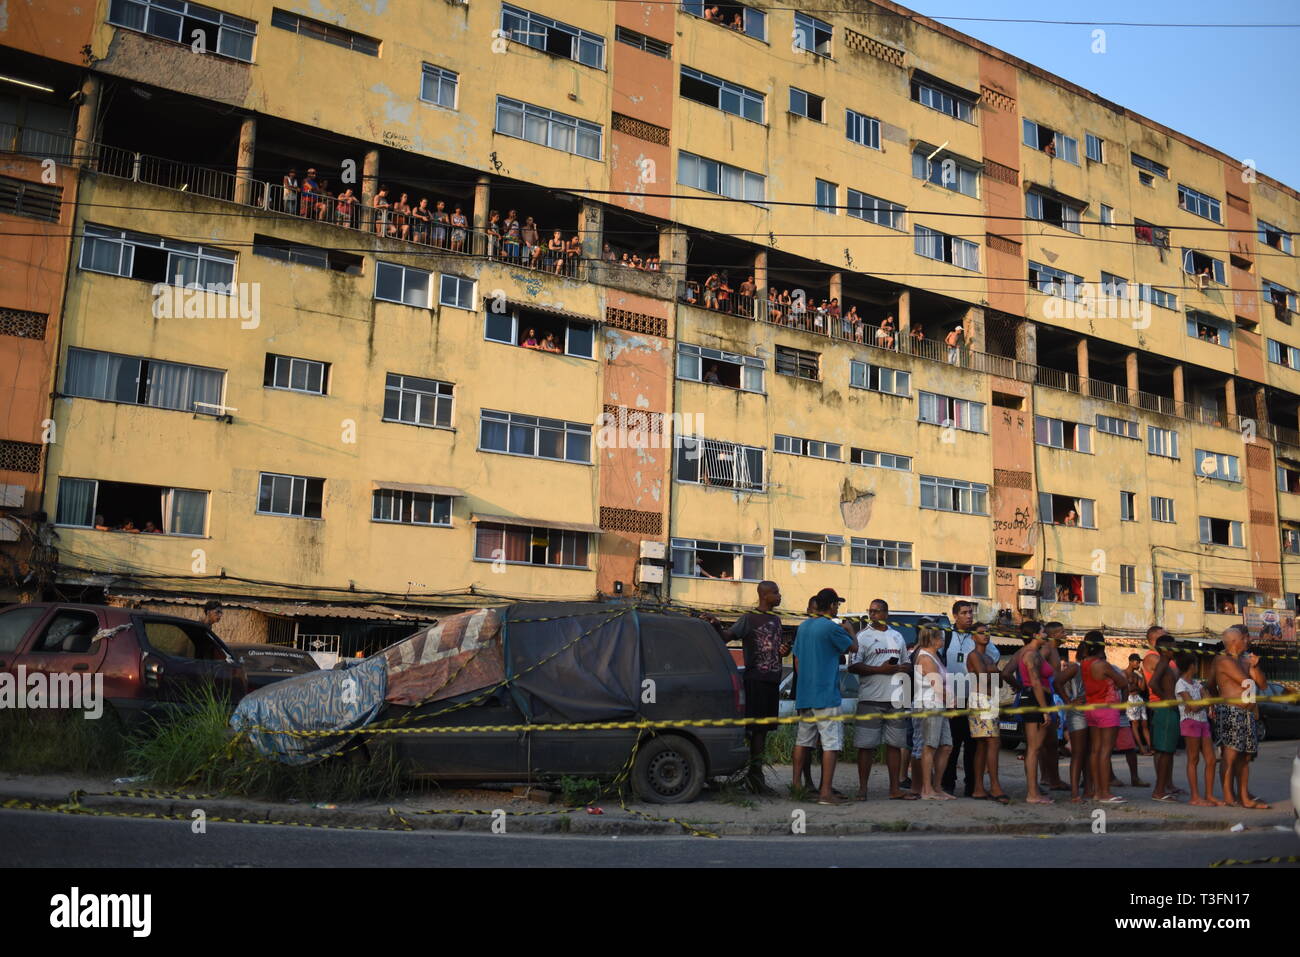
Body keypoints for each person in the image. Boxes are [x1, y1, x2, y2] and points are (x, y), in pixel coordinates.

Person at [704, 581, 789, 795]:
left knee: (764, 731)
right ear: (764, 595)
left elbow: (776, 651)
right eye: (775, 592)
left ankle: (754, 776)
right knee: (755, 731)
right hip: (756, 680)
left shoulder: (777, 620)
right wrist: (715, 625)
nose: (779, 596)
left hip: (772, 681)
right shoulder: (748, 619)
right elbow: (726, 637)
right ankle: (754, 778)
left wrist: (783, 651)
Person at [847, 599, 916, 801]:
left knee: (895, 745)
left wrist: (901, 668)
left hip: (895, 698)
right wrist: (880, 670)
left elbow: (907, 663)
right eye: (871, 611)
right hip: (870, 698)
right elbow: (853, 666)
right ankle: (862, 789)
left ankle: (895, 789)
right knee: (866, 746)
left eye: (877, 611)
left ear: (886, 613)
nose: (873, 614)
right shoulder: (863, 636)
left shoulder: (897, 636)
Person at [790, 588, 854, 804]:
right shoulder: (831, 627)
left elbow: (797, 660)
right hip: (826, 695)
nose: (838, 608)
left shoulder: (804, 626)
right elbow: (853, 647)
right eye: (837, 605)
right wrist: (849, 629)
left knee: (803, 742)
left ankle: (796, 787)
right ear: (832, 605)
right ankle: (825, 793)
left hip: (805, 693)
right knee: (831, 744)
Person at [942, 600, 1000, 797]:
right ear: (955, 615)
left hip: (974, 698)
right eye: (964, 613)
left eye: (971, 613)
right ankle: (947, 783)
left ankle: (972, 785)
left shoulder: (979, 637)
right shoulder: (946, 636)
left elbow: (994, 658)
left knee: (974, 744)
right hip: (953, 698)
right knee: (951, 744)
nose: (968, 616)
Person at [1214, 626, 1270, 809]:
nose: (1248, 641)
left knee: (1245, 757)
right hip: (1231, 711)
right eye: (1244, 639)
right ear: (1233, 642)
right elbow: (1245, 681)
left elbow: (1262, 684)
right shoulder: (1223, 660)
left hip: (1248, 713)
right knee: (1230, 755)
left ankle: (1244, 796)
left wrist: (1256, 666)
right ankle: (1229, 796)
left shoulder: (1247, 661)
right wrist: (1249, 667)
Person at [1080, 631, 1128, 803]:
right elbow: (1123, 683)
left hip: (1091, 708)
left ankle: (1095, 790)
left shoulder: (1084, 663)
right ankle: (1104, 792)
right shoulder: (1103, 665)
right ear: (1102, 645)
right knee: (1105, 752)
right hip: (1107, 709)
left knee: (1095, 750)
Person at [966, 622, 1008, 803]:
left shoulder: (989, 658)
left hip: (991, 700)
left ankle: (979, 788)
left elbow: (998, 682)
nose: (985, 635)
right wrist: (994, 672)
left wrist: (992, 671)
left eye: (987, 632)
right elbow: (984, 679)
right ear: (973, 637)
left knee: (985, 745)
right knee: (992, 743)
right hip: (980, 700)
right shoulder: (973, 655)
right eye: (981, 633)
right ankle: (994, 785)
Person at [1016, 621, 1056, 804]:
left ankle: (1033, 791)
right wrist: (1045, 710)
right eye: (1042, 632)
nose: (1045, 634)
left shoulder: (1034, 653)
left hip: (1036, 699)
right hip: (1035, 701)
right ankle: (1032, 793)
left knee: (1034, 749)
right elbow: (1035, 682)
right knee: (1034, 749)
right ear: (1034, 635)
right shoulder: (1030, 655)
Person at [913, 624, 953, 800]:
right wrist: (953, 701)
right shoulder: (926, 658)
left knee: (946, 746)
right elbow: (936, 685)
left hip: (939, 705)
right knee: (930, 746)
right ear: (934, 640)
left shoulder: (934, 656)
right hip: (930, 705)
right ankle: (927, 789)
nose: (943, 640)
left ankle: (937, 786)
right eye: (941, 637)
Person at [1174, 651, 1218, 806]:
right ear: (1191, 666)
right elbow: (1192, 707)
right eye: (1196, 664)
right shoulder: (1180, 684)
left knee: (1211, 760)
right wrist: (1203, 702)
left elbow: (1207, 701)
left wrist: (1201, 703)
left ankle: (1209, 795)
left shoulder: (1196, 683)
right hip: (1190, 722)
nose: (1197, 667)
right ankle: (1195, 797)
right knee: (1193, 759)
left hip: (1203, 721)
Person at [1147, 632, 1181, 801]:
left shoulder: (1169, 664)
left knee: (1167, 752)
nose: (1176, 648)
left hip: (1171, 711)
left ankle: (1163, 788)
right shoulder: (1162, 663)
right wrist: (1165, 697)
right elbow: (1152, 683)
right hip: (1165, 711)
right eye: (1173, 646)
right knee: (1165, 752)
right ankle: (1159, 791)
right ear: (1166, 649)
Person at [1061, 643, 1090, 801]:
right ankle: (1074, 792)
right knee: (1078, 753)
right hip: (1077, 713)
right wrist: (1068, 700)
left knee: (1087, 753)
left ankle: (1087, 789)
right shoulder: (1075, 667)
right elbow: (1057, 682)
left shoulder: (1093, 666)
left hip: (1091, 712)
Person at [1124, 654, 1152, 754]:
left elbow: (1143, 688)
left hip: (1139, 699)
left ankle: (1150, 747)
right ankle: (1141, 748)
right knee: (1135, 724)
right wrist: (1135, 688)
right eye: (1137, 661)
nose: (1138, 663)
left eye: (1139, 661)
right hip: (1130, 700)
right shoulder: (1124, 673)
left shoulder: (1136, 675)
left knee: (1145, 724)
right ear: (1130, 661)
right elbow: (1127, 689)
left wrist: (1143, 674)